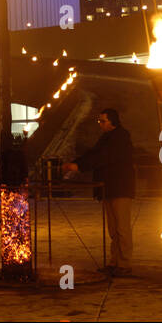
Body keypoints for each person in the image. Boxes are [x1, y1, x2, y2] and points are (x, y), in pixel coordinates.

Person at [63, 108, 137, 277]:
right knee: (113, 228)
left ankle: (124, 263)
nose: (101, 124)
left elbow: (104, 157)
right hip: (110, 188)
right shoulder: (107, 137)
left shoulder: (121, 137)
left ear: (112, 121)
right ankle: (114, 261)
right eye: (100, 121)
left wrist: (79, 166)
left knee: (122, 228)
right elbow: (94, 153)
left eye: (103, 121)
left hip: (120, 187)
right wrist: (76, 163)